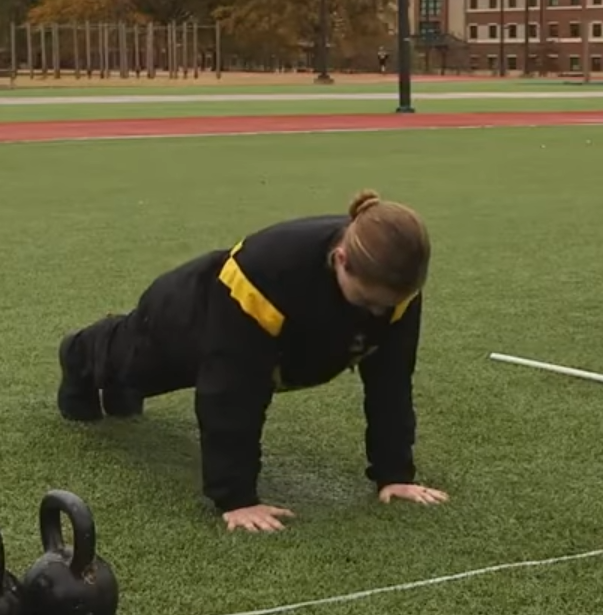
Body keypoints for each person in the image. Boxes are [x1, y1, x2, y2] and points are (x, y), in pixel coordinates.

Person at [55, 190, 449, 534]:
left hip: (280, 343)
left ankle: (121, 389)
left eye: (388, 305)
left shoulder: (395, 285)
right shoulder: (267, 272)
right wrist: (236, 498)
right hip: (187, 315)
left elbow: (391, 383)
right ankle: (76, 354)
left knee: (135, 385)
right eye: (367, 302)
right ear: (341, 259)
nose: (378, 315)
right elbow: (231, 392)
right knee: (132, 366)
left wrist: (394, 474)